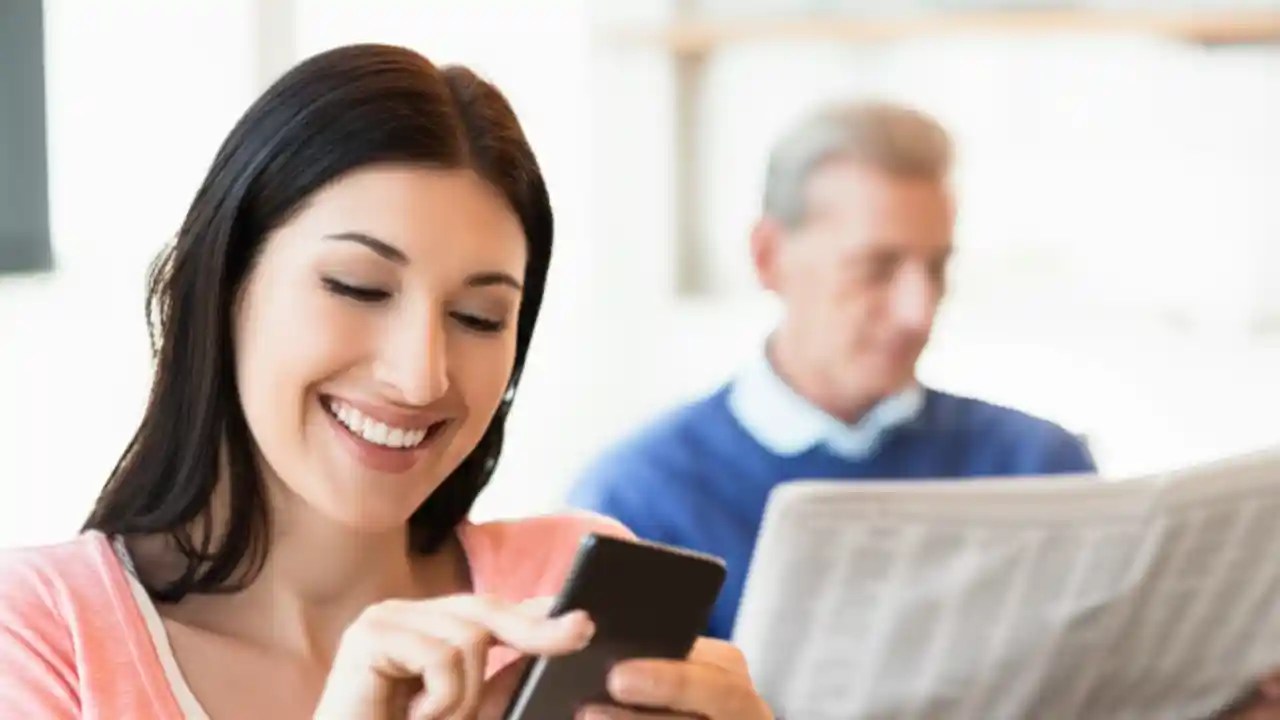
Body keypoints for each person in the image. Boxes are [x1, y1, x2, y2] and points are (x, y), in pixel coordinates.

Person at [0, 44, 772, 720]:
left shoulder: (562, 590)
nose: (419, 376)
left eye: (477, 317)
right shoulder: (41, 636)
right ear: (225, 283)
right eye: (358, 288)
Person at [569, 101, 1099, 641]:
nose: (918, 311)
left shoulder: (1040, 471)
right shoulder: (639, 500)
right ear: (768, 256)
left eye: (937, 267)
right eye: (876, 268)